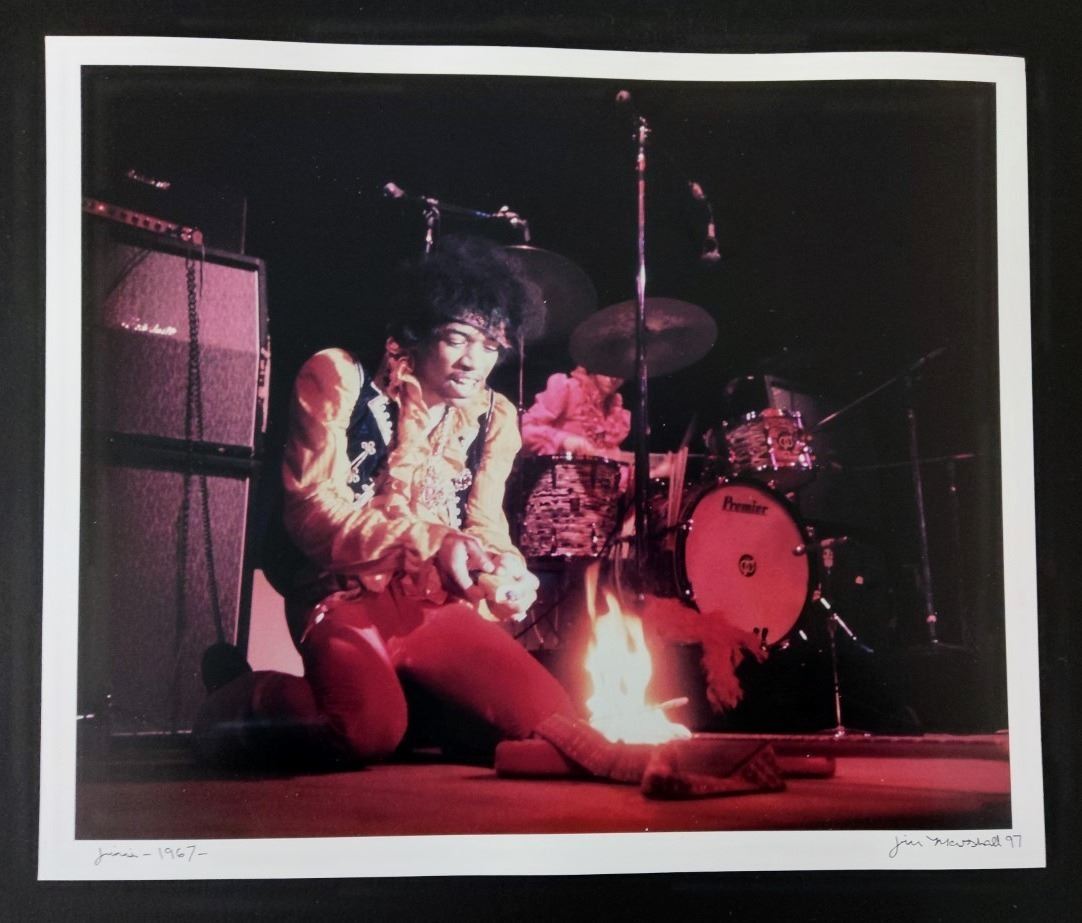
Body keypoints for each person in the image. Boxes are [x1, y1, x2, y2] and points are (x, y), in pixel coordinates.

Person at [193, 236, 579, 768]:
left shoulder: (496, 417)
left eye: (490, 346)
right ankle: (236, 695)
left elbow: (485, 525)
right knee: (363, 731)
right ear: (417, 335)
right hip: (339, 592)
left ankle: (414, 703)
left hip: (429, 605)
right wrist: (428, 541)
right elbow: (310, 513)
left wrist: (505, 571)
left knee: (550, 722)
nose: (473, 362)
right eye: (457, 339)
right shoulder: (338, 376)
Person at [520, 366, 631, 459]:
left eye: (620, 371)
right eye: (609, 369)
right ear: (594, 363)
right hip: (557, 479)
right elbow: (523, 431)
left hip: (597, 483)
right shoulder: (567, 389)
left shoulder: (615, 412)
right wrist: (562, 440)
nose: (614, 378)